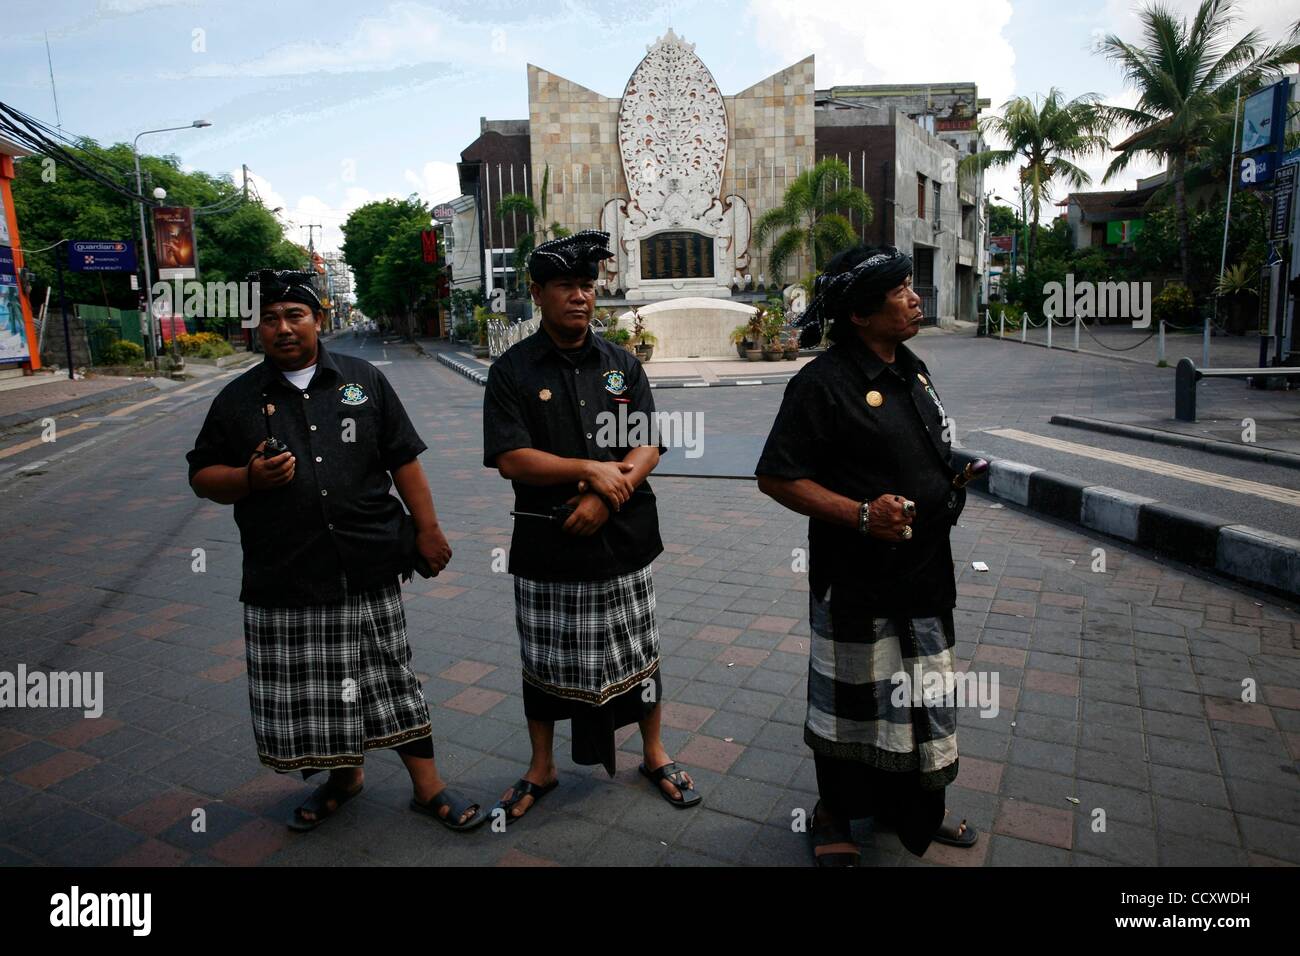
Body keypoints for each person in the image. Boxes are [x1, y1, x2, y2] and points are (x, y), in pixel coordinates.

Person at [186, 269, 485, 832]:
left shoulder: (363, 379)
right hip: (288, 571)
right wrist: (249, 478)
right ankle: (344, 780)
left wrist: (429, 529)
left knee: (391, 676)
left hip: (367, 561)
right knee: (316, 692)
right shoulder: (238, 398)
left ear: (318, 320)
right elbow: (202, 476)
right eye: (270, 318)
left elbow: (404, 459)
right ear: (258, 327)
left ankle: (429, 789)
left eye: (295, 315)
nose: (282, 328)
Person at [755, 246, 979, 866]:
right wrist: (860, 515)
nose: (915, 299)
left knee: (920, 699)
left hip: (926, 576)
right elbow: (777, 477)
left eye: (912, 287)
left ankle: (910, 812)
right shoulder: (821, 384)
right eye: (901, 290)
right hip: (857, 584)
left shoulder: (913, 368)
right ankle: (834, 813)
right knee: (853, 707)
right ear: (860, 313)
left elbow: (924, 447)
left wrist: (951, 477)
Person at [481, 230, 702, 824]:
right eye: (565, 286)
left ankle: (653, 753)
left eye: (586, 285)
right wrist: (588, 470)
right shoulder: (510, 371)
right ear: (537, 293)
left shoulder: (621, 363)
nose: (579, 296)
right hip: (548, 540)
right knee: (544, 661)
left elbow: (648, 442)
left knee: (642, 653)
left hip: (623, 538)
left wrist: (610, 494)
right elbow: (510, 457)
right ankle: (541, 766)